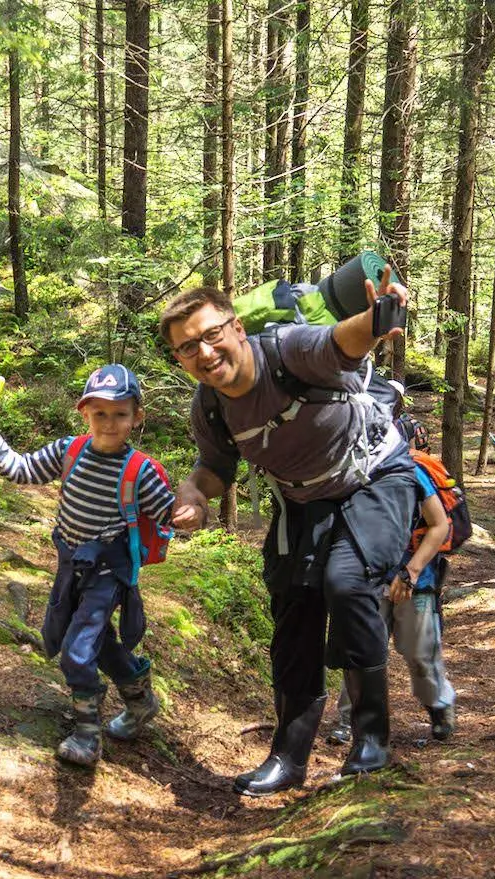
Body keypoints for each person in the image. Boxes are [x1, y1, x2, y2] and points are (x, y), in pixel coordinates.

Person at [160, 269, 418, 797]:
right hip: (302, 499)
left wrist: (377, 318)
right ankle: (289, 756)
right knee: (293, 613)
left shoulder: (287, 351)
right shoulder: (209, 407)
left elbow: (340, 342)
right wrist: (191, 496)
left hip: (375, 477)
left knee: (346, 585)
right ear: (180, 360)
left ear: (235, 328)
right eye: (188, 348)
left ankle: (370, 738)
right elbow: (213, 468)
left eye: (211, 336)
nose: (205, 354)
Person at [0, 364, 175, 767]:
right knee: (93, 640)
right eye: (100, 413)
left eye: (120, 413)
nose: (110, 423)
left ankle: (87, 733)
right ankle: (140, 702)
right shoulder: (70, 450)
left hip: (109, 573)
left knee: (77, 651)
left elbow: (169, 514)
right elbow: (22, 470)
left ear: (137, 416)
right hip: (70, 565)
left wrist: (194, 503)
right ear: (85, 413)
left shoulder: (141, 471)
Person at [326, 450, 456, 746]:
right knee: (359, 650)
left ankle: (439, 706)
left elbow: (439, 525)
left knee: (419, 653)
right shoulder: (349, 466)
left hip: (416, 581)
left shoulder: (411, 470)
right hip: (368, 579)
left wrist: (411, 571)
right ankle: (349, 718)